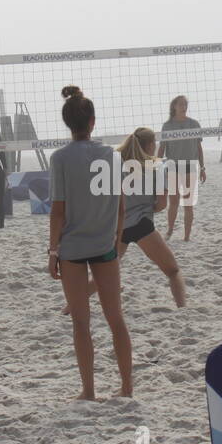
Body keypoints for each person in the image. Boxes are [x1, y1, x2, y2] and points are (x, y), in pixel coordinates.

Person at [48, 86, 132, 400]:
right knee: (116, 319)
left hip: (72, 248)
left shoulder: (60, 158)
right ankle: (126, 388)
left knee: (81, 323)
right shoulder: (112, 155)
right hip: (104, 245)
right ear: (93, 122)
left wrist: (52, 251)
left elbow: (58, 212)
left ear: (67, 123)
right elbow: (121, 206)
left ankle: (89, 391)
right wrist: (116, 238)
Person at [77, 127, 186, 312]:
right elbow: (161, 206)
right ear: (151, 145)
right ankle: (183, 309)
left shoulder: (115, 166)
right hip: (141, 224)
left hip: (118, 227)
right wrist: (145, 205)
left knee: (102, 276)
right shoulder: (157, 168)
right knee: (173, 271)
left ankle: (69, 308)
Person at [157, 95, 205, 241]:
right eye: (181, 104)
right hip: (173, 166)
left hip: (190, 166)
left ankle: (186, 236)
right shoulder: (167, 126)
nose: (184, 107)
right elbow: (162, 147)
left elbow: (198, 147)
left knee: (188, 202)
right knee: (174, 202)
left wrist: (203, 167)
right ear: (174, 107)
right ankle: (170, 230)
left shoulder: (194, 124)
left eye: (185, 104)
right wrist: (157, 167)